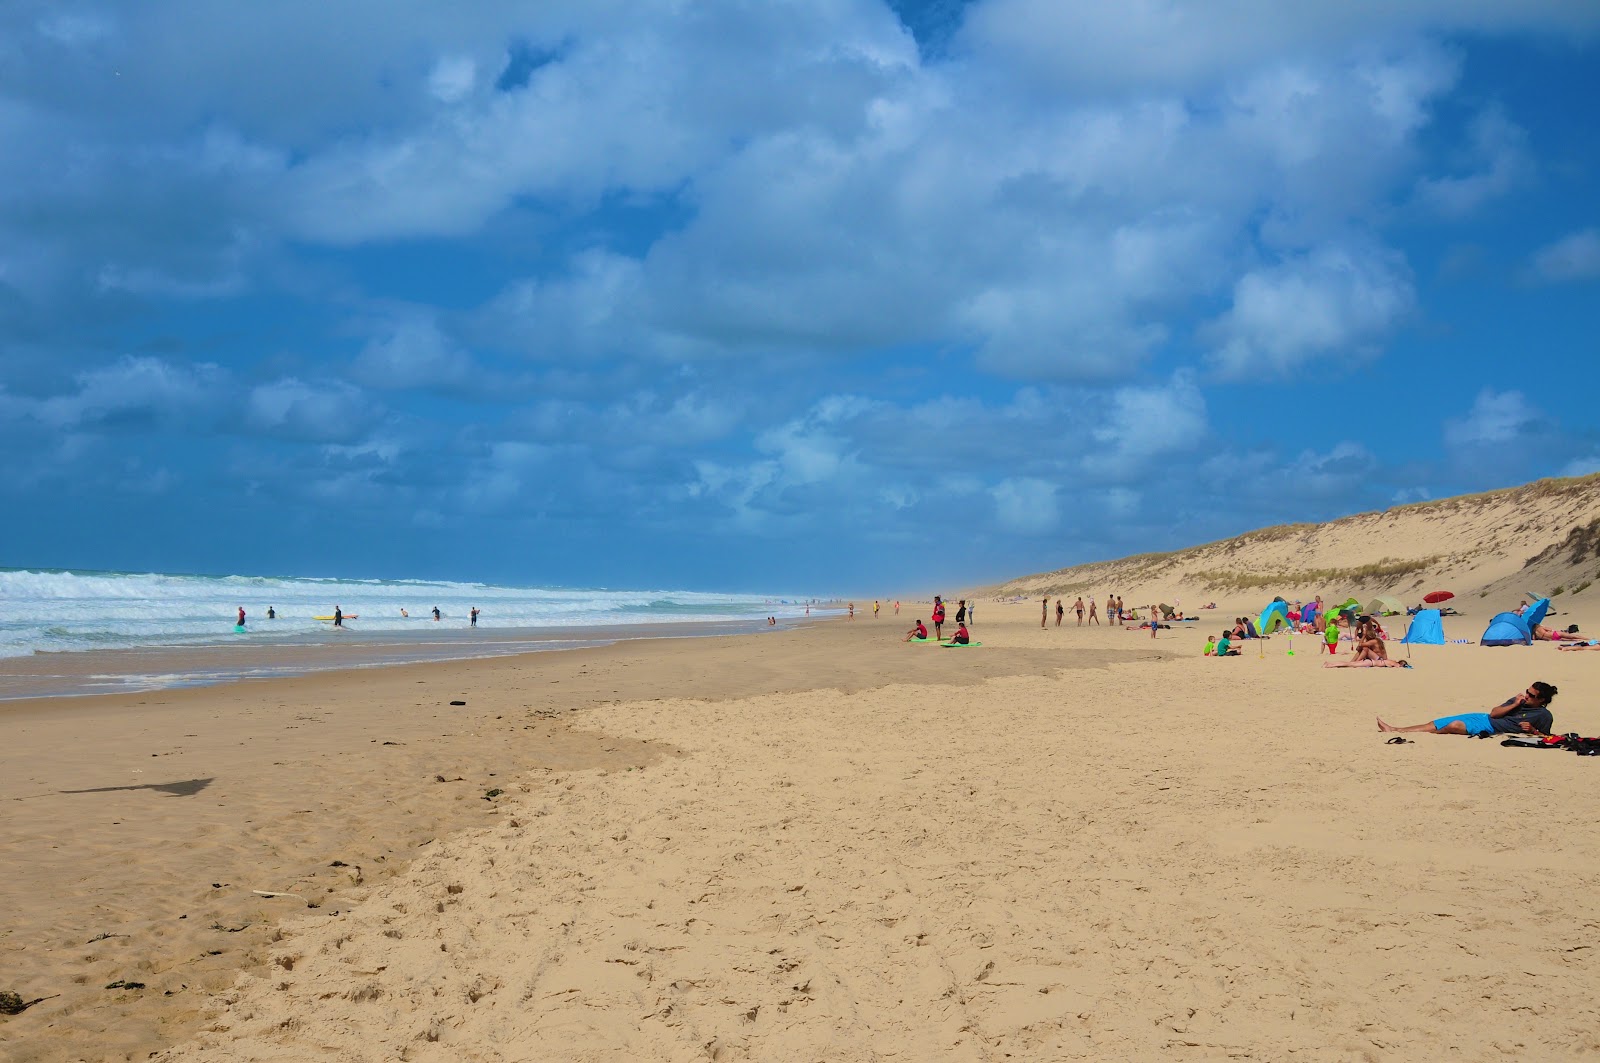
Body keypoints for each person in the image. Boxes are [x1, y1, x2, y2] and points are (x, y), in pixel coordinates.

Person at [1378, 682, 1557, 736]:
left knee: (1454, 725)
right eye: (1528, 692)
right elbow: (1494, 712)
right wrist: (1515, 704)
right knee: (1436, 722)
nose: (1527, 696)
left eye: (1531, 696)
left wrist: (1533, 730)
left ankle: (1412, 733)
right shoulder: (1518, 701)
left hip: (1492, 728)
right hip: (1485, 718)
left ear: (1541, 700)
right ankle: (1395, 729)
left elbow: (1548, 737)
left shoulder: (1543, 715)